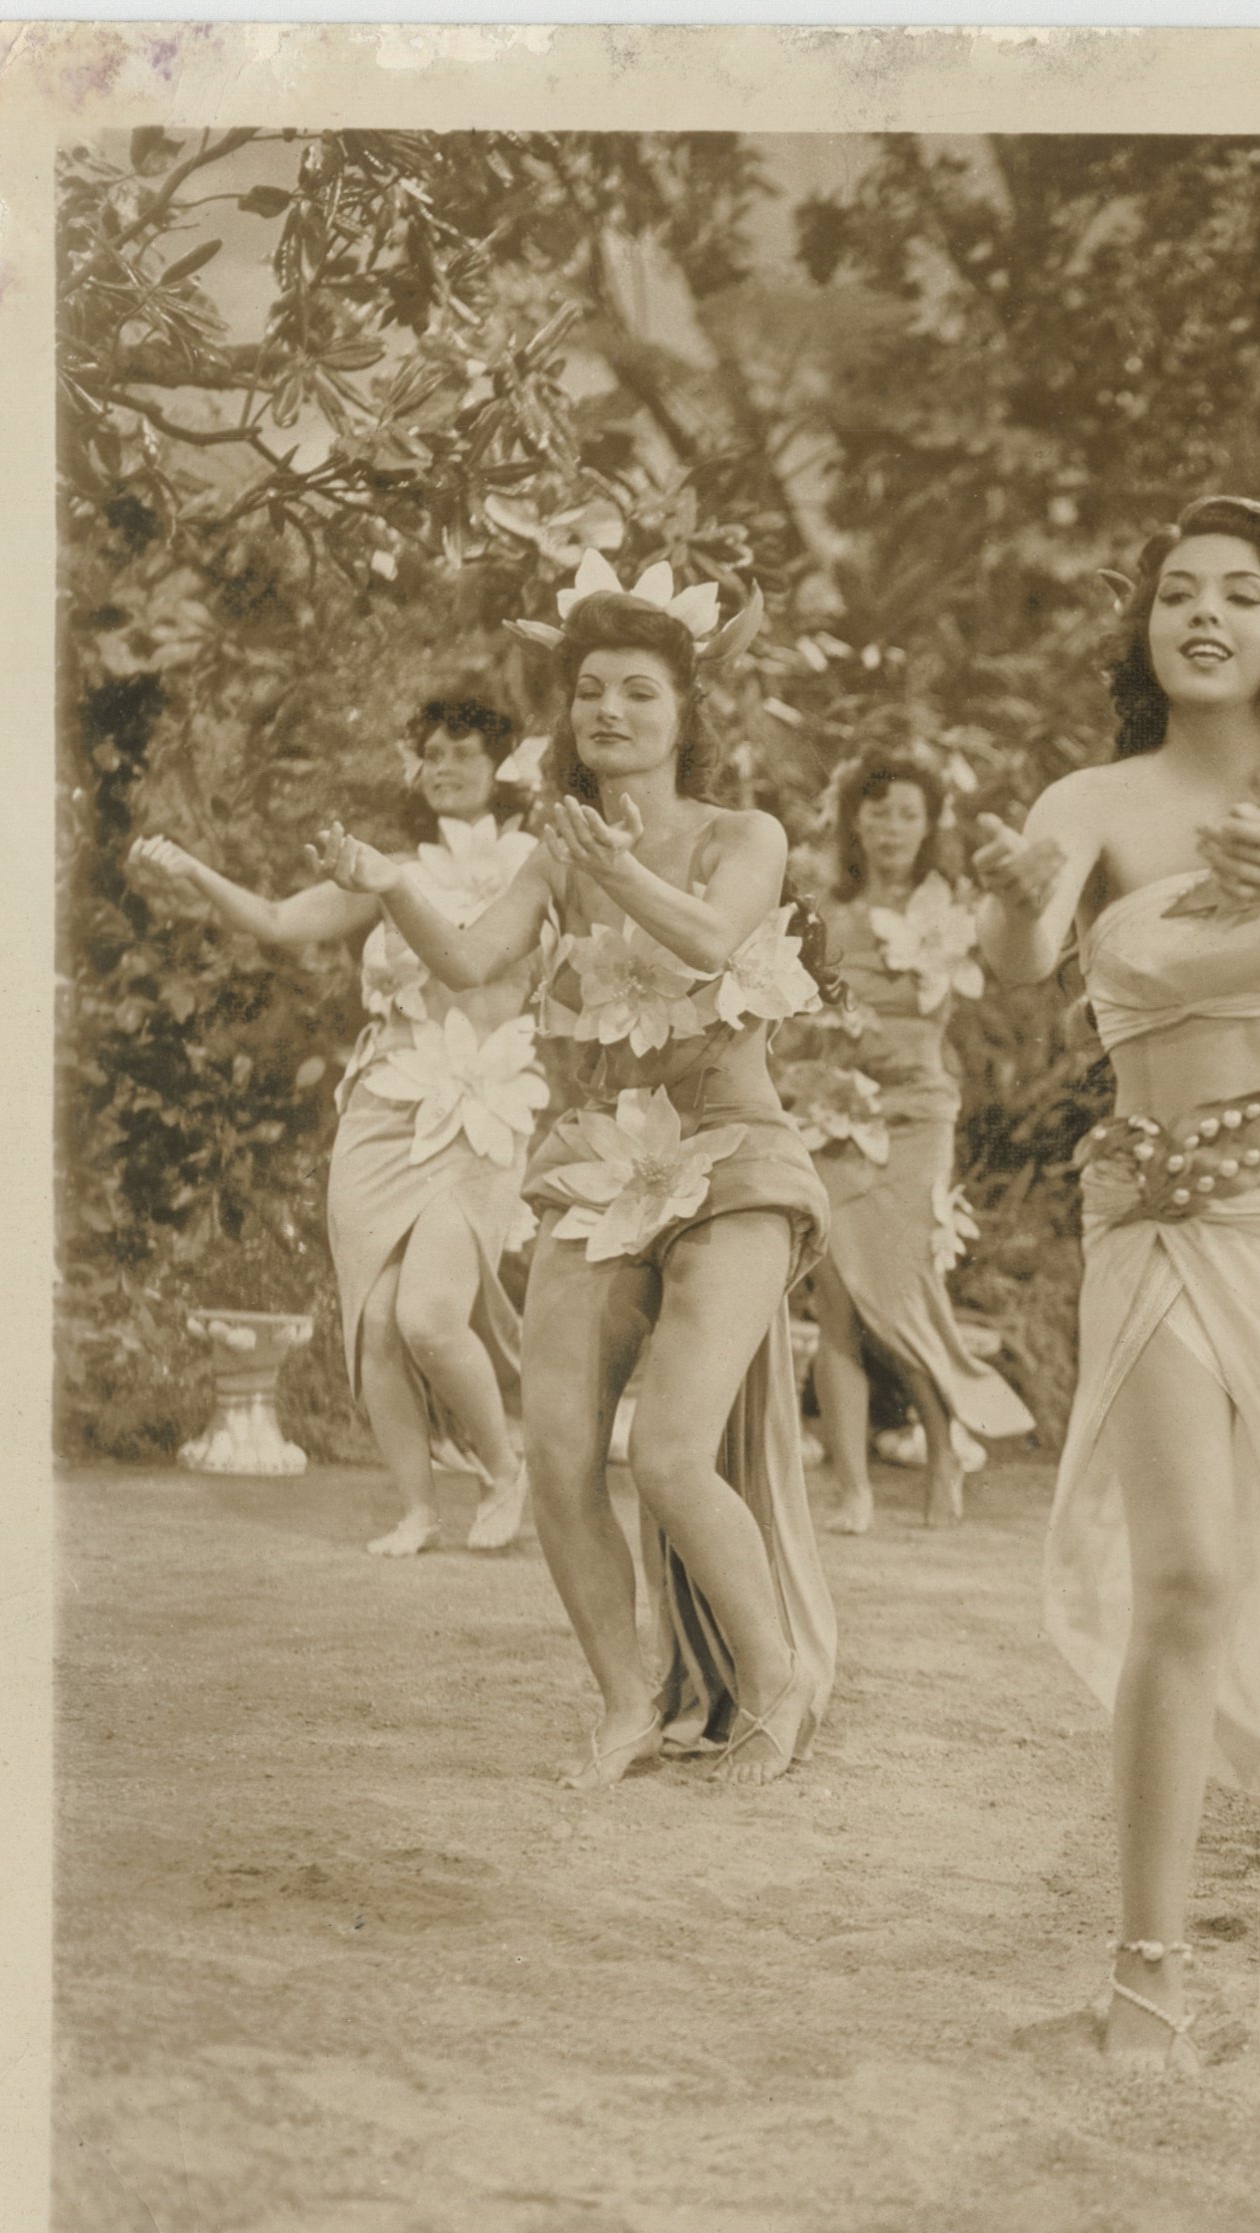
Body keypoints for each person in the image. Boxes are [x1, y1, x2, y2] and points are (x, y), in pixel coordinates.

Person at [971, 496, 1260, 2072]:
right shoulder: (1090, 795)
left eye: (1242, 593)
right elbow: (1023, 955)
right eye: (1180, 594)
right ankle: (1147, 1968)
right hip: (1153, 1207)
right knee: (1183, 1578)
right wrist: (1011, 885)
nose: (1208, 614)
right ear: (1146, 627)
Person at [318, 561, 840, 1791]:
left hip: (735, 1162)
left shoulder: (740, 835)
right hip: (600, 1166)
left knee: (665, 1453)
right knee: (556, 1454)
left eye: (640, 692)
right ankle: (626, 1701)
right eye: (592, 692)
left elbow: (713, 937)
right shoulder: (555, 855)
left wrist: (610, 866)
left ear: (683, 714)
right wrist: (393, 883)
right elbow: (476, 968)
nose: (611, 711)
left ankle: (772, 1687)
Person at [128, 694, 541, 1558]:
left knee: (430, 1314)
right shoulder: (388, 868)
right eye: (430, 752)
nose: (444, 766)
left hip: (484, 1106)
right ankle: (419, 1508)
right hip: (383, 1111)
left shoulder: (538, 868)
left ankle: (506, 1470)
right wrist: (194, 872)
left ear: (503, 766)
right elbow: (280, 921)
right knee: (377, 1323)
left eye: (463, 751)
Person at [783, 743, 1034, 1533]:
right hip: (833, 1110)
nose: (889, 827)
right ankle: (851, 1488)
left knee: (906, 1293)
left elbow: (1009, 962)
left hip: (918, 1113)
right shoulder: (822, 908)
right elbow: (791, 1011)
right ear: (854, 817)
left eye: (906, 814)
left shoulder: (956, 908)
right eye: (876, 809)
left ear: (928, 826)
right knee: (837, 1302)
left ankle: (941, 1456)